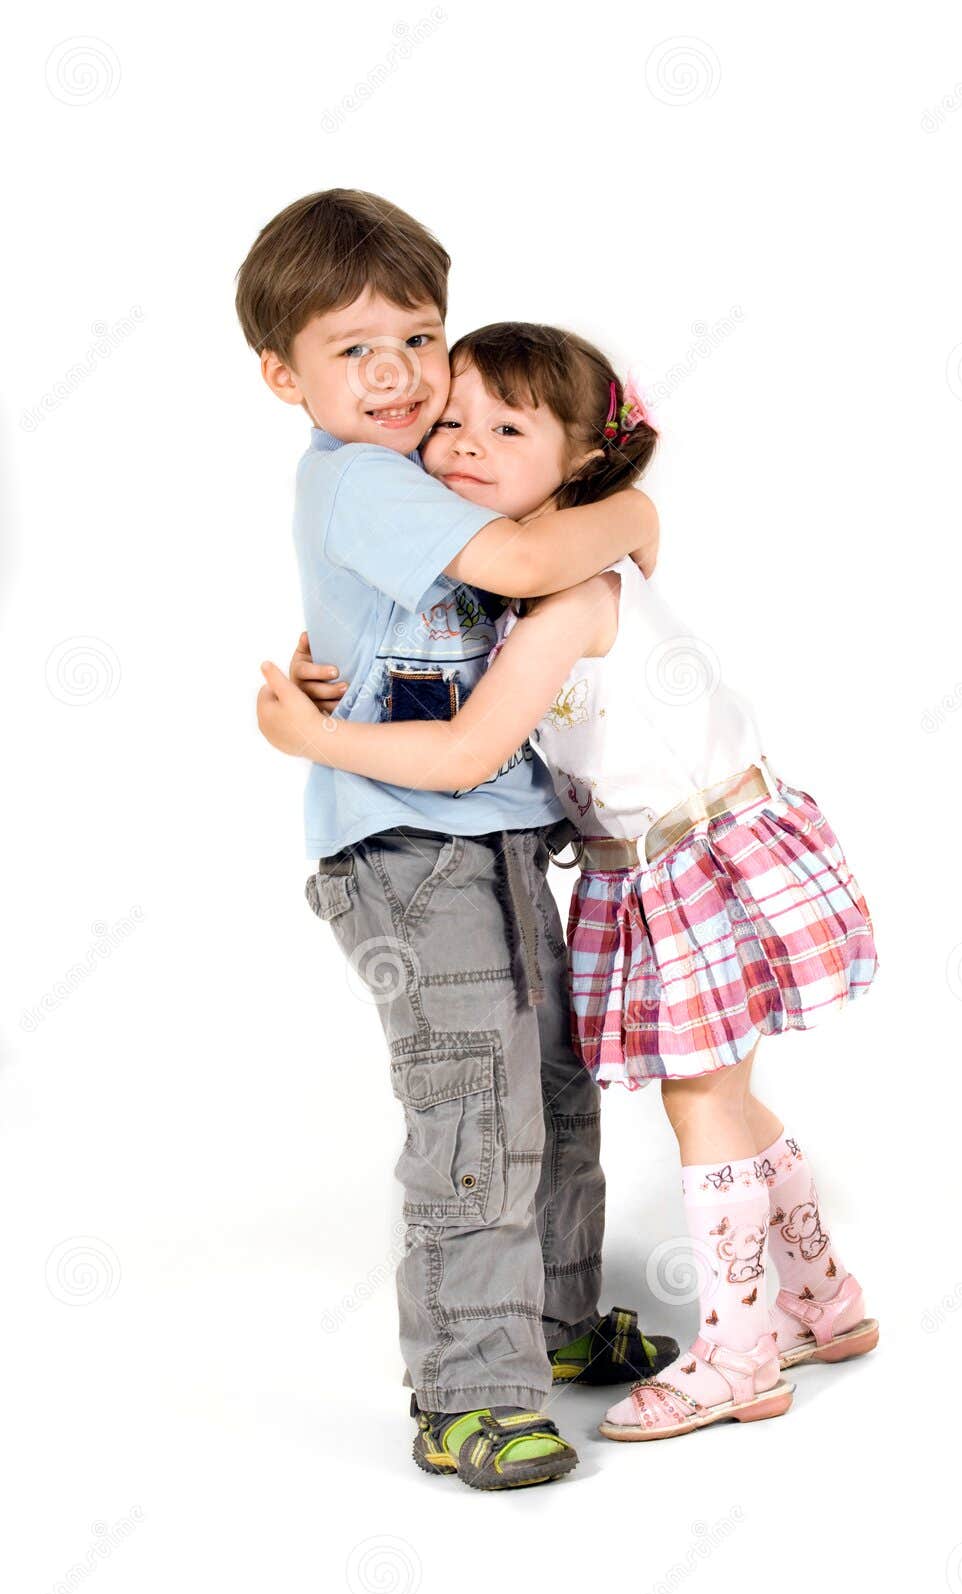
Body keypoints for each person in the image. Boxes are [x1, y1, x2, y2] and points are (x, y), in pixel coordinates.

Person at [258, 320, 880, 1446]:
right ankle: (821, 1303)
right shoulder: (517, 580)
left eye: (506, 428)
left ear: (584, 462)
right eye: (452, 422)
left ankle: (740, 1355)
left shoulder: (563, 598)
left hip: (691, 859)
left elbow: (459, 753)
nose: (461, 445)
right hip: (669, 855)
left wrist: (307, 736)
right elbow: (412, 619)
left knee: (700, 1100)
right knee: (719, 1096)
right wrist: (325, 659)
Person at [236, 192, 674, 1492]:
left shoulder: (412, 459)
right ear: (283, 373)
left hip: (491, 836)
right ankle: (467, 1392)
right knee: (474, 1110)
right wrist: (634, 523)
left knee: (550, 1086)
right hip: (406, 847)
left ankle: (548, 1318)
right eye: (352, 348)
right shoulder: (363, 479)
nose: (396, 376)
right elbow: (522, 560)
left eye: (417, 339)